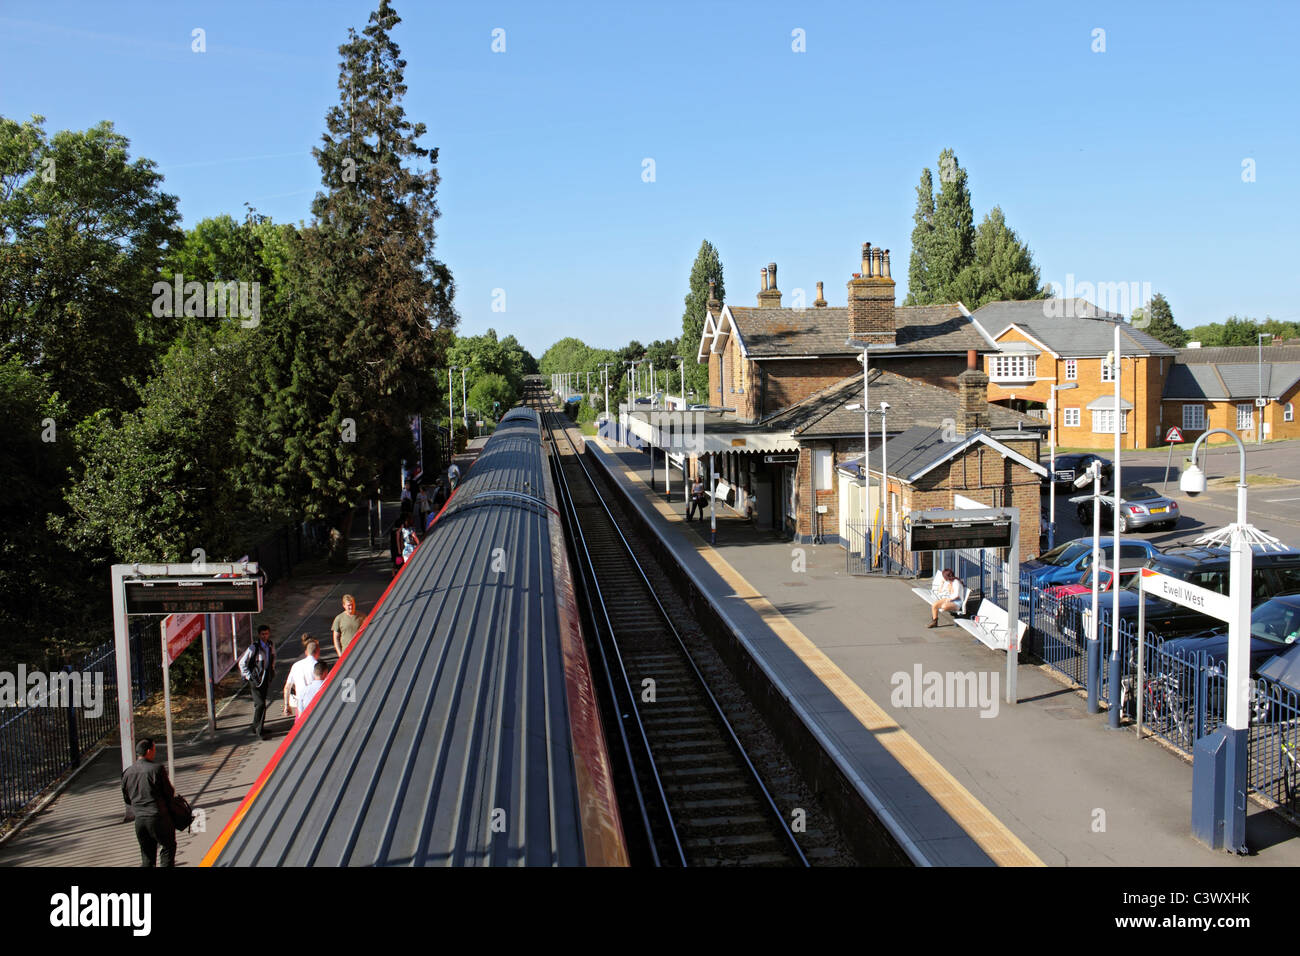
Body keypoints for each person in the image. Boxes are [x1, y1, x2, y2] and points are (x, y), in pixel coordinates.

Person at [121, 738, 177, 867]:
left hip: (140, 820)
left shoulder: (127, 773)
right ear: (148, 751)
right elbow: (168, 792)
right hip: (158, 818)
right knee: (168, 847)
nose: (154, 752)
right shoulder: (156, 769)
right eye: (154, 749)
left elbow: (127, 798)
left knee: (147, 856)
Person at [239, 625, 276, 739]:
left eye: (267, 633)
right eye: (263, 634)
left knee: (261, 704)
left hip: (265, 678)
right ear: (259, 635)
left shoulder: (270, 645)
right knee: (260, 704)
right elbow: (242, 663)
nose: (265, 636)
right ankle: (259, 731)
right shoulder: (254, 647)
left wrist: (272, 671)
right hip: (256, 680)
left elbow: (272, 658)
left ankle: (257, 726)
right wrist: (249, 676)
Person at [282, 636, 321, 718]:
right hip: (315, 703)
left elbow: (287, 687)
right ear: (318, 651)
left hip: (300, 704)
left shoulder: (296, 666)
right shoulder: (318, 666)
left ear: (306, 652)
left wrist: (286, 705)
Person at [331, 594, 365, 658]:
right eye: (349, 605)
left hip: (360, 651)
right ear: (344, 606)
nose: (351, 607)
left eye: (352, 604)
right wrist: (340, 654)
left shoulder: (362, 616)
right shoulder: (339, 618)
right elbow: (335, 638)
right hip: (346, 653)